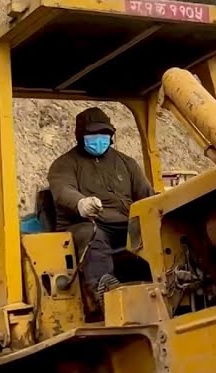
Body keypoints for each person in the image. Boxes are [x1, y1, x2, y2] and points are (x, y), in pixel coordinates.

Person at [48, 107, 155, 297]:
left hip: (125, 223)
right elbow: (63, 190)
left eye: (103, 133)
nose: (99, 138)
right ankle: (104, 292)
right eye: (93, 134)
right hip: (86, 224)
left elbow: (147, 195)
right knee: (92, 235)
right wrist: (81, 203)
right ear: (81, 136)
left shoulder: (126, 163)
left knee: (155, 229)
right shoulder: (64, 164)